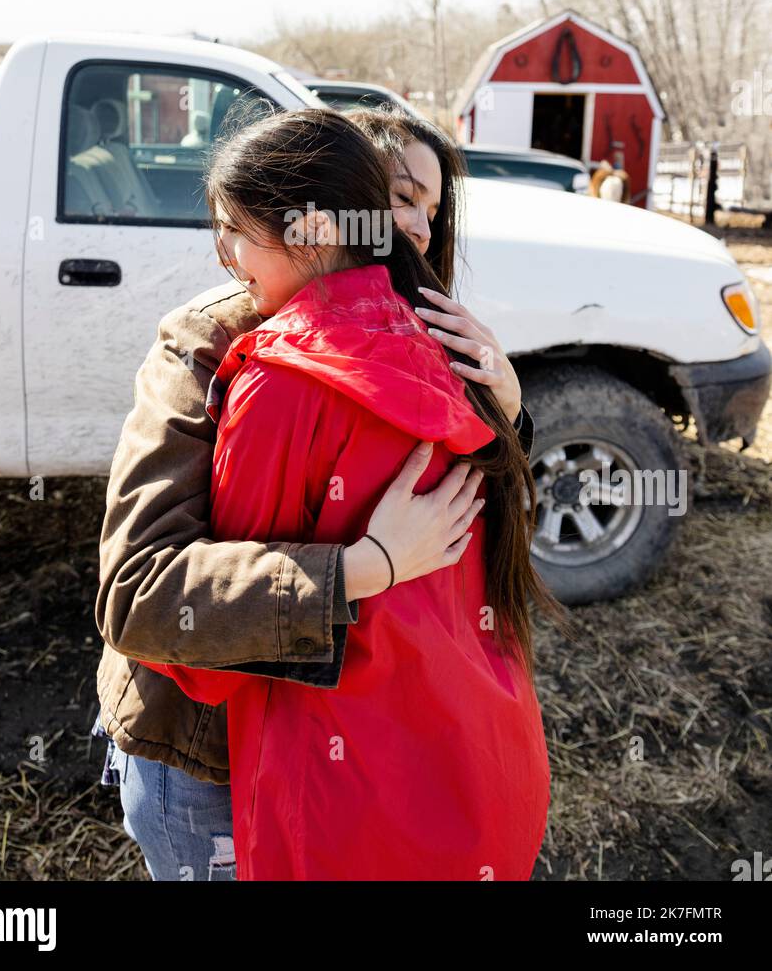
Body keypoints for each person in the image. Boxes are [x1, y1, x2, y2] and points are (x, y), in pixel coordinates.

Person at [93, 105, 560, 880]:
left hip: (352, 771)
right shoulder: (223, 352)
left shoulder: (434, 344)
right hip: (212, 757)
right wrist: (362, 567)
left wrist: (510, 421)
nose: (412, 225)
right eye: (397, 195)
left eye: (430, 208)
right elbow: (143, 595)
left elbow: (480, 569)